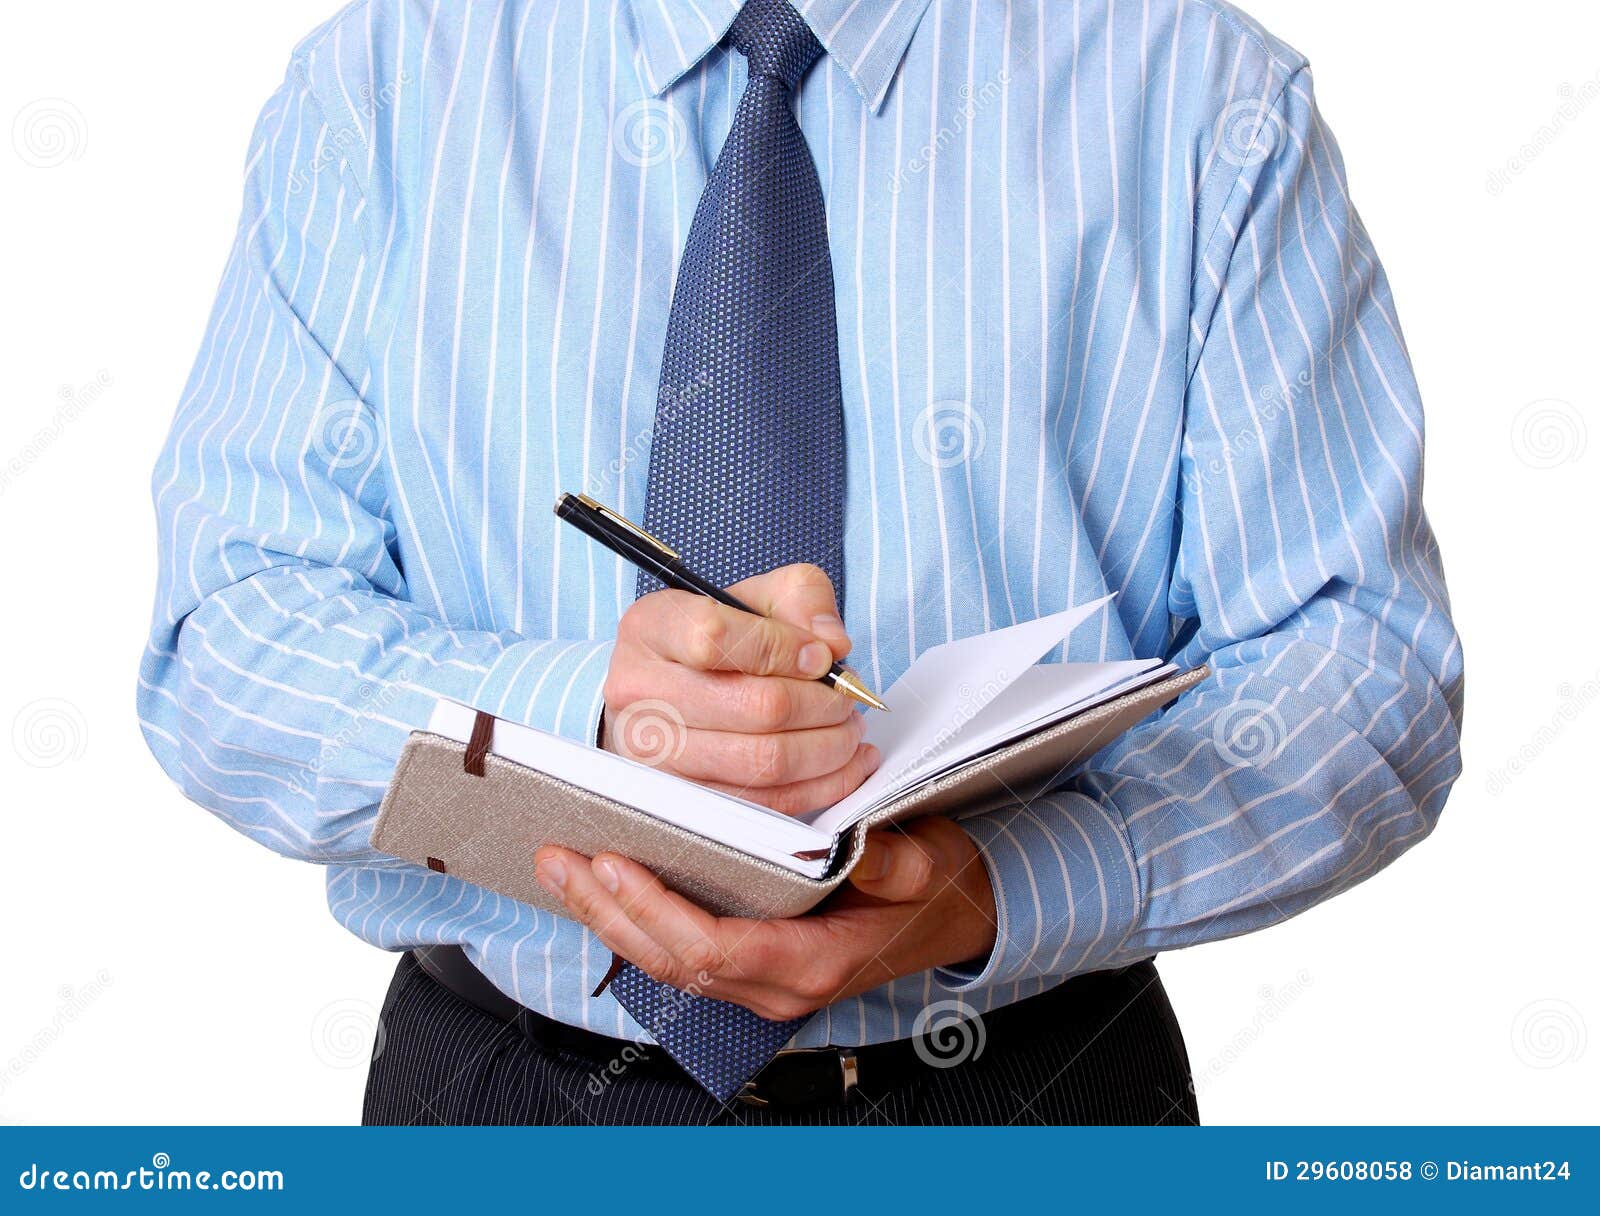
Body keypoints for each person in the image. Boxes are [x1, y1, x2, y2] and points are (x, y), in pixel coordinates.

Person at [138, 0, 1463, 1125]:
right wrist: (588, 723)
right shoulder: (381, 83)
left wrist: (1006, 883)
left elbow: (1371, 671)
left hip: (1034, 1092)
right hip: (499, 1103)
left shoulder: (1201, 96)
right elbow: (227, 645)